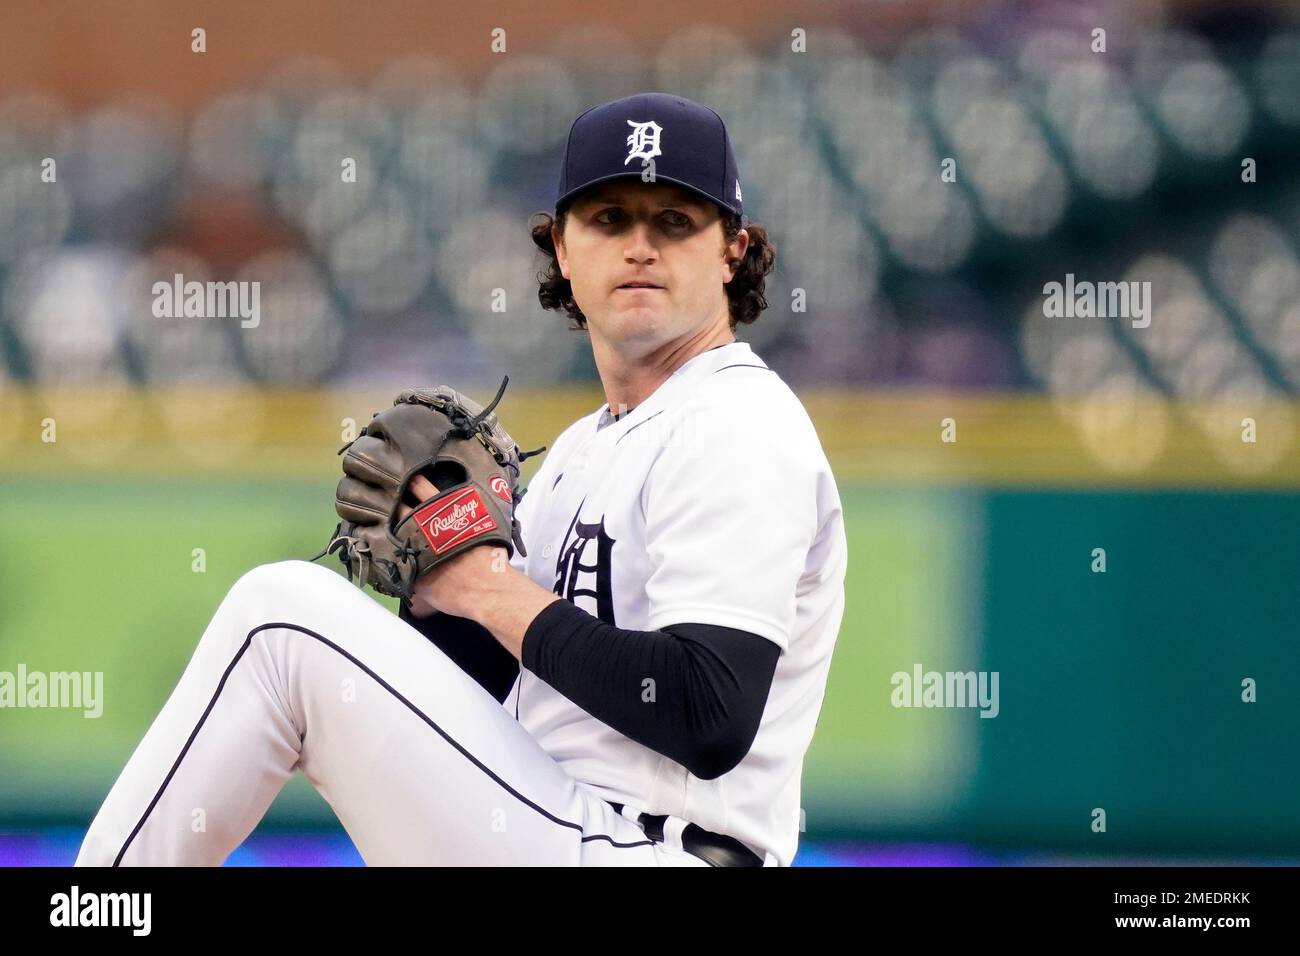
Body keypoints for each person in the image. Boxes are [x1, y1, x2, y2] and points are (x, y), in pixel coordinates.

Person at [76, 91, 847, 867]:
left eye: (674, 221)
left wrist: (482, 586)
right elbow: (478, 695)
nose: (641, 246)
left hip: (660, 850)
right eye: (610, 219)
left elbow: (707, 715)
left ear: (732, 253)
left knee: (281, 621)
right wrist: (432, 587)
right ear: (564, 253)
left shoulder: (738, 420)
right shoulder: (581, 452)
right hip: (552, 826)